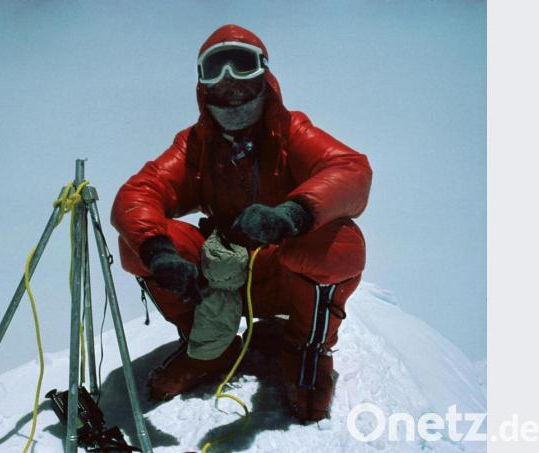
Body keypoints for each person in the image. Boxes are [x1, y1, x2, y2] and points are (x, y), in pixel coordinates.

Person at [110, 24, 371, 423]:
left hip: (279, 269)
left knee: (340, 244)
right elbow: (140, 192)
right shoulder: (195, 144)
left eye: (242, 65)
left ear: (264, 74)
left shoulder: (291, 131)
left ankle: (306, 348)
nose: (229, 81)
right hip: (220, 271)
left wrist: (292, 214)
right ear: (201, 84)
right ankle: (208, 347)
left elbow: (350, 169)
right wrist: (160, 254)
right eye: (215, 67)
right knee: (139, 243)